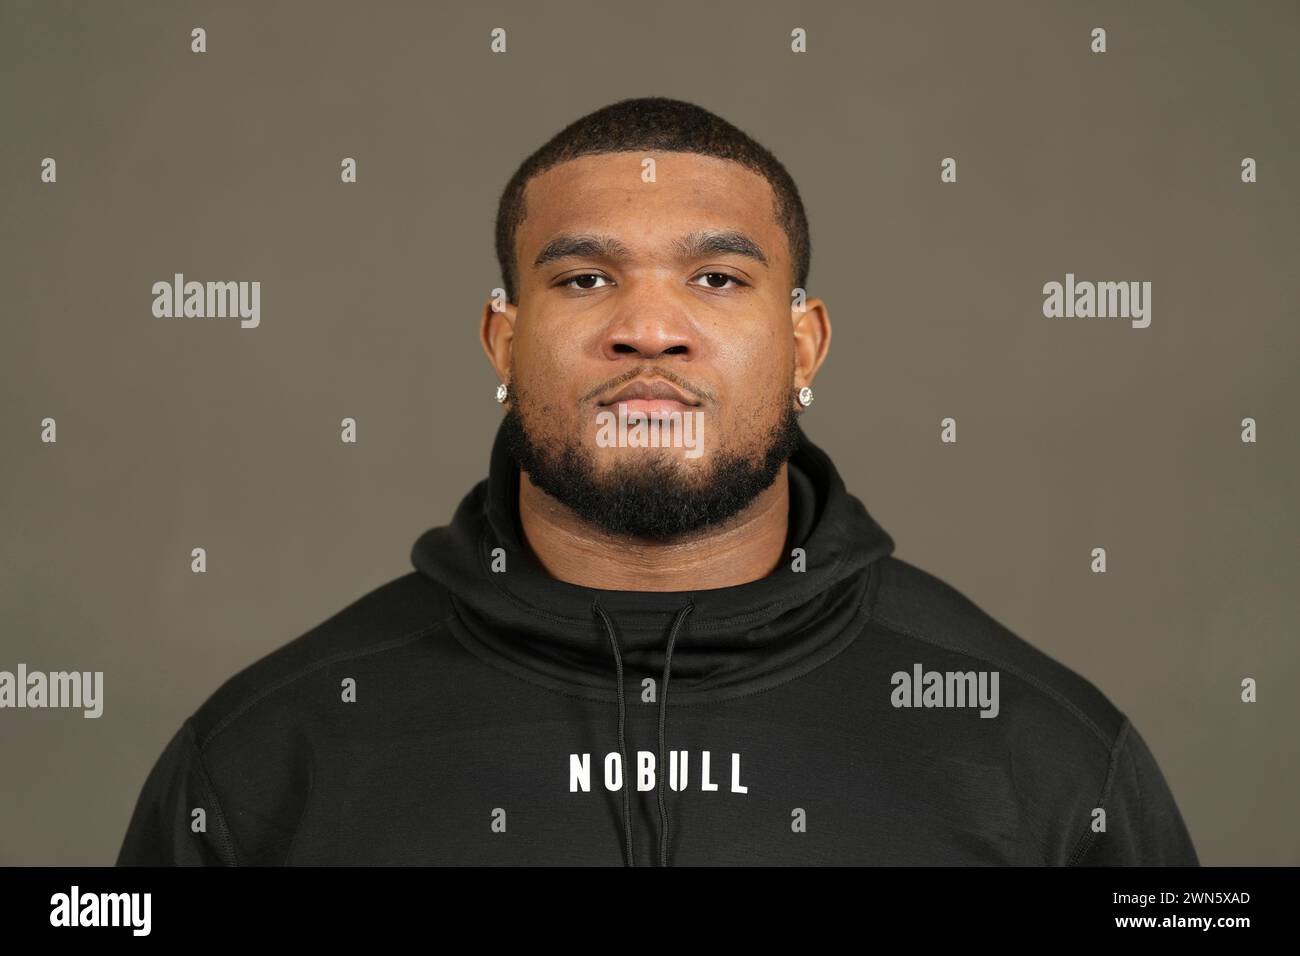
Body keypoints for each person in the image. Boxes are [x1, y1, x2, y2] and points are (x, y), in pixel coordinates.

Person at [117, 96, 1198, 866]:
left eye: (717, 278)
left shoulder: (1038, 745)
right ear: (502, 340)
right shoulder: (273, 751)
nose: (647, 328)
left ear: (805, 342)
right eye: (584, 278)